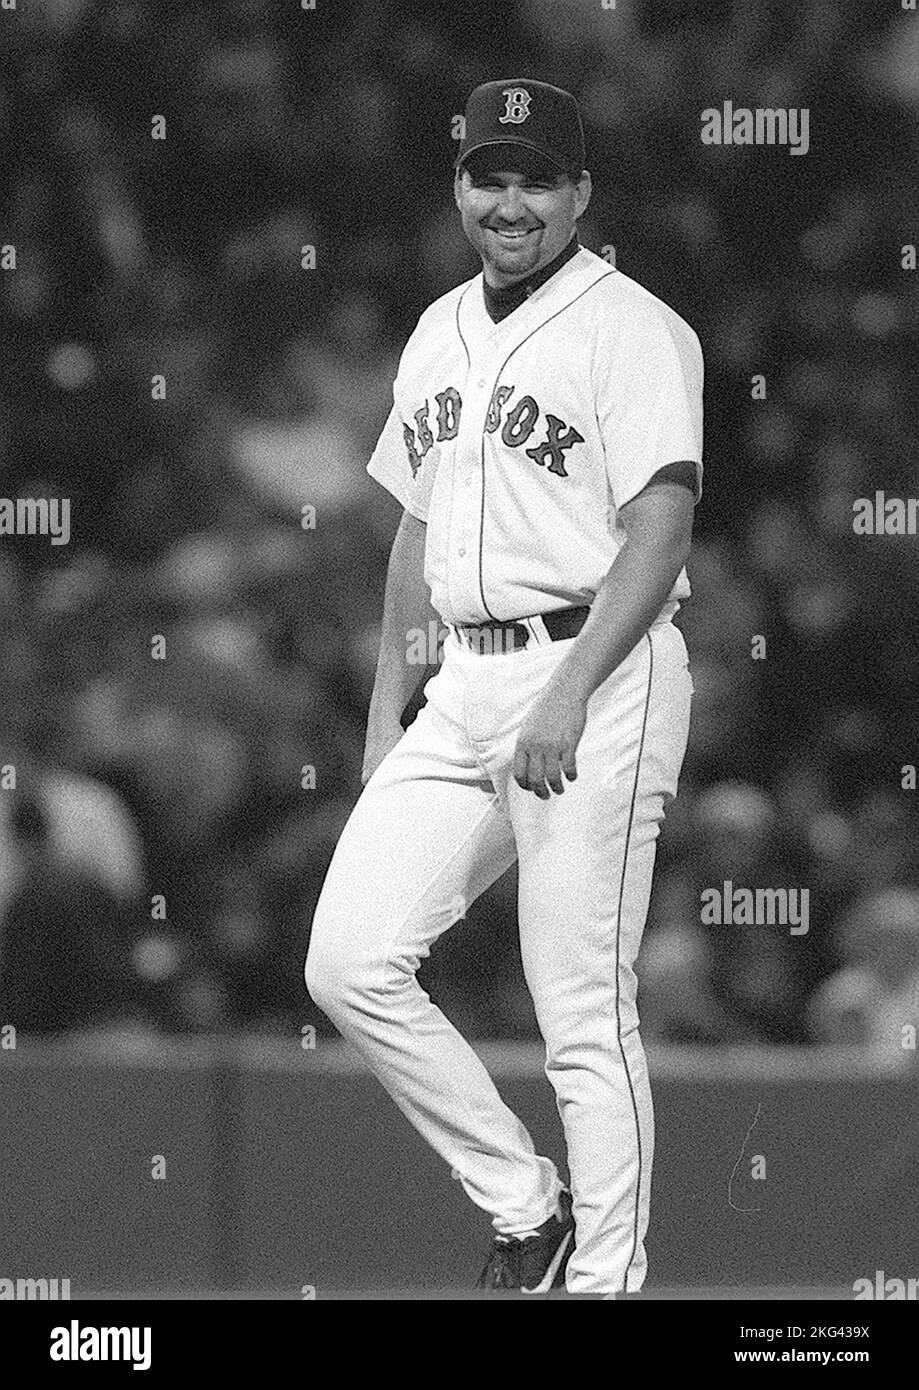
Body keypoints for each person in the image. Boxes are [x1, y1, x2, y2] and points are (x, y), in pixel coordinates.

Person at [306, 78, 703, 1297]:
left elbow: (661, 528)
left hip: (599, 663)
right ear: (460, 186)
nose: (511, 199)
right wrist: (388, 704)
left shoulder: (633, 327)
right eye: (492, 174)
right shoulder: (436, 330)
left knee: (580, 1007)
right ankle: (530, 1210)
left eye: (538, 177)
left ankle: (606, 1285)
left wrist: (573, 690)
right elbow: (415, 533)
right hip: (461, 682)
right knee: (348, 962)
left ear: (580, 193)